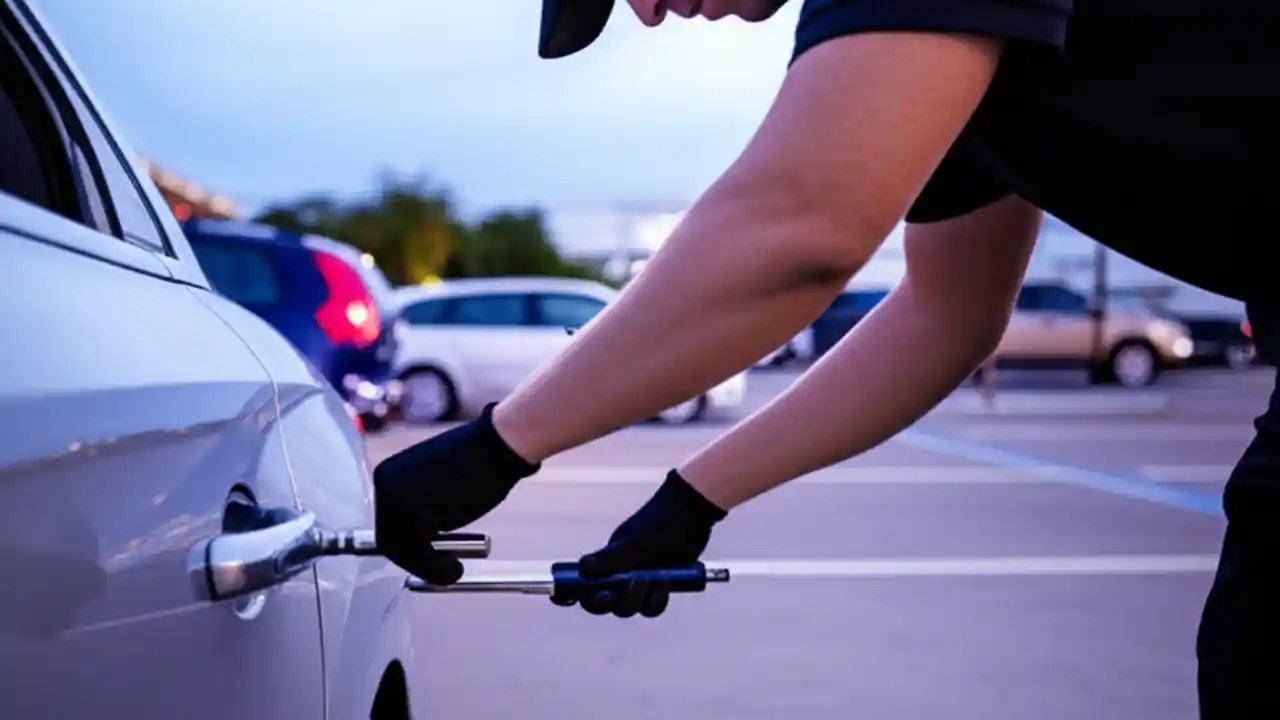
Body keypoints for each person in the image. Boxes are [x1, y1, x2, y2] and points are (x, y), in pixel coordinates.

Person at [373, 1, 1277, 716]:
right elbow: (945, 314)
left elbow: (798, 229)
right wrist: (692, 498)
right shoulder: (942, 44)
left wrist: (497, 447)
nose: (646, 14)